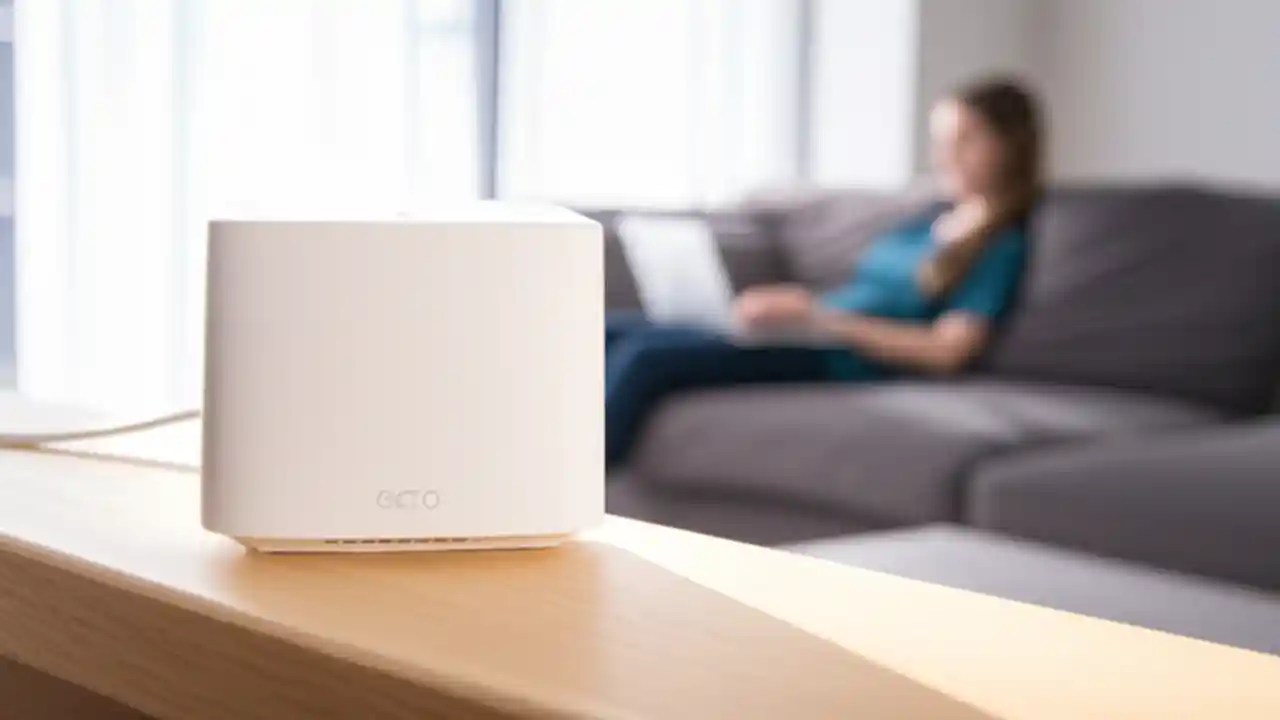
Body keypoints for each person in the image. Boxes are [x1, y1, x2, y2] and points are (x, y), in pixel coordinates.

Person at [606, 78, 1042, 466]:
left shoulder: (1000, 243)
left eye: (966, 139)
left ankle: (578, 484)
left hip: (836, 356)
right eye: (942, 140)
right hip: (803, 331)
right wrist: (794, 308)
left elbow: (946, 351)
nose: (946, 156)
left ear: (1009, 145)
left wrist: (820, 319)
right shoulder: (929, 217)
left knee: (647, 358)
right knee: (608, 332)